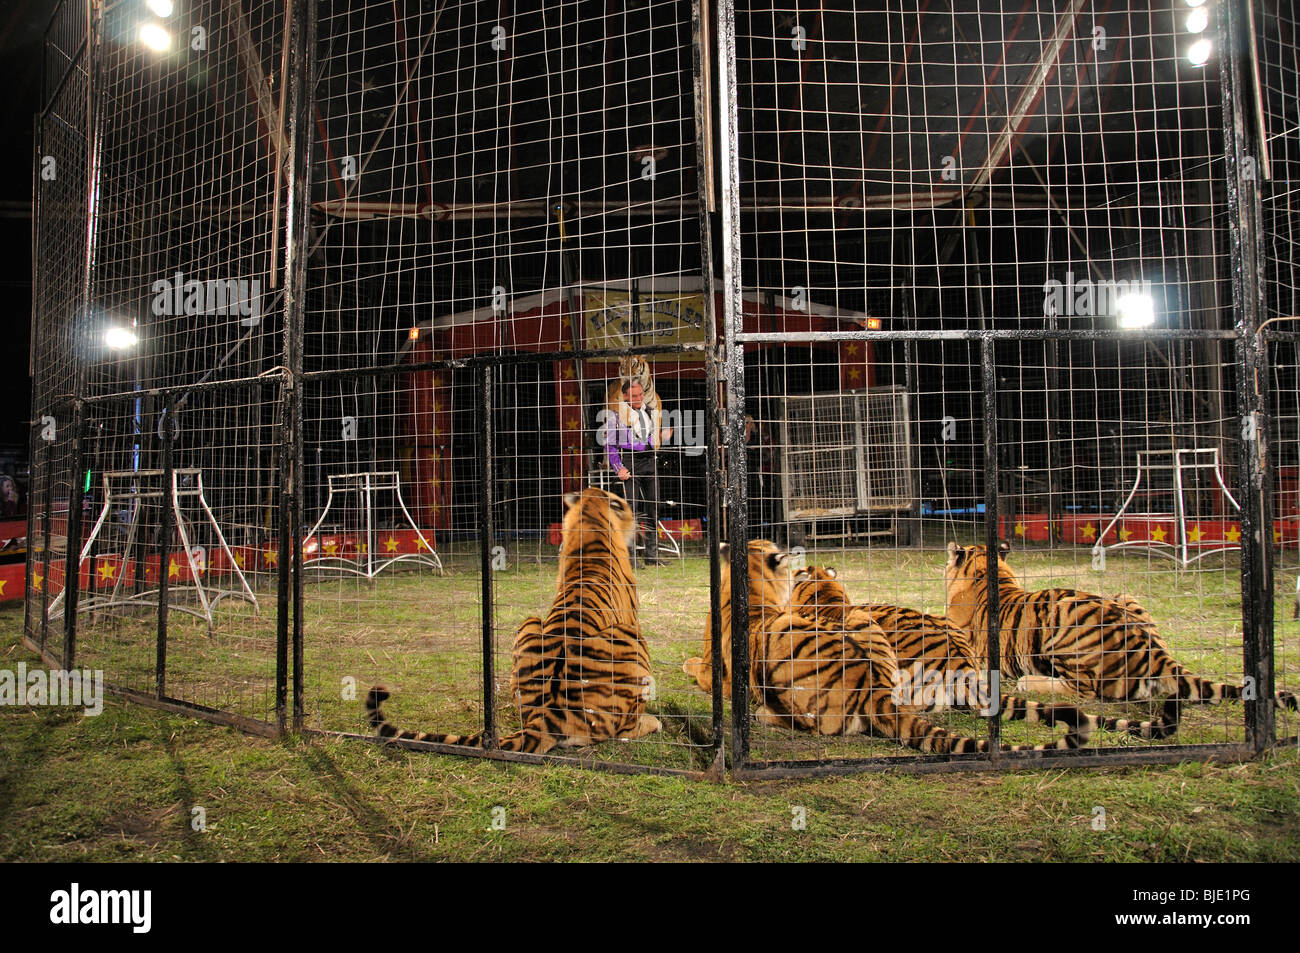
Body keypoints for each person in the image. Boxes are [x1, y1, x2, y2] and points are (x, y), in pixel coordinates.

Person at [605, 380, 673, 566]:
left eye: (640, 394)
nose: (638, 398)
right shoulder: (617, 416)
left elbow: (654, 439)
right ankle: (630, 557)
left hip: (650, 462)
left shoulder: (651, 412)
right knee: (631, 510)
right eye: (634, 396)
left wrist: (663, 436)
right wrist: (619, 468)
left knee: (653, 508)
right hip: (630, 462)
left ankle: (652, 555)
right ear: (625, 396)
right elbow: (610, 445)